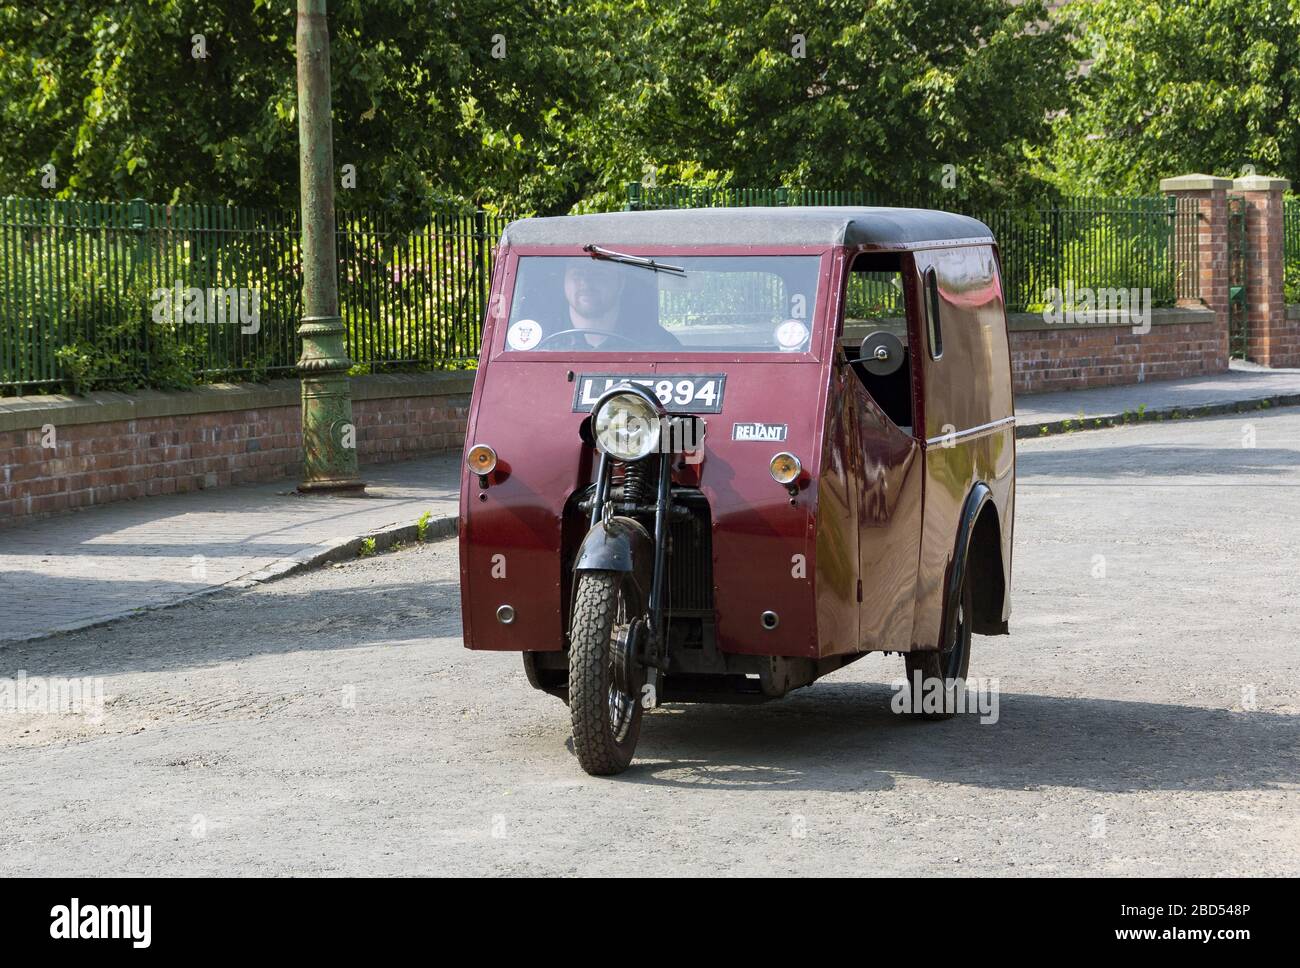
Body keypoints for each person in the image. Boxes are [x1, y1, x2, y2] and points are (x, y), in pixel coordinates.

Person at [559, 261, 680, 350]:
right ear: (564, 282)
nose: (585, 282)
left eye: (598, 274)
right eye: (577, 274)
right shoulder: (543, 340)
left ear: (620, 283)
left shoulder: (657, 342)